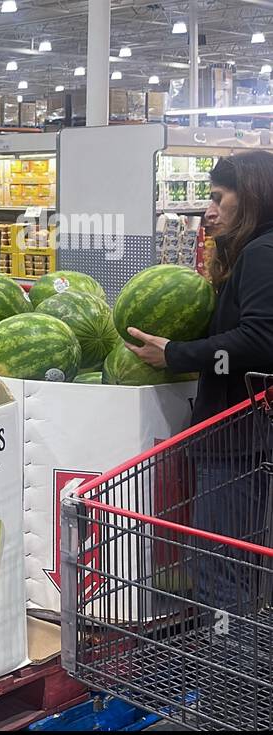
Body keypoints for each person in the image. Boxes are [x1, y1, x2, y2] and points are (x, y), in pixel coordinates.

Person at [126, 150, 273, 612]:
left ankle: (233, 682)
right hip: (248, 438)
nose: (207, 212)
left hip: (238, 442)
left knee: (215, 570)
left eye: (216, 198)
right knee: (236, 567)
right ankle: (242, 673)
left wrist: (174, 353)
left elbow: (261, 339)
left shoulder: (262, 253)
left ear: (250, 196)